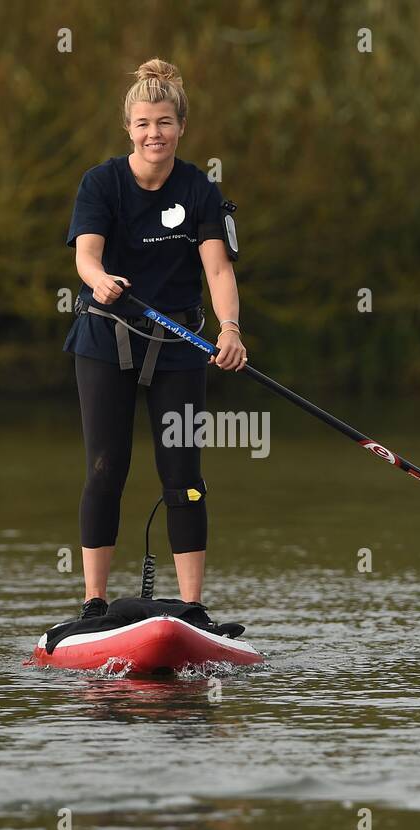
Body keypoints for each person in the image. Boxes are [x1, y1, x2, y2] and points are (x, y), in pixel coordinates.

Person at [65, 57, 246, 621]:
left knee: (184, 475)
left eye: (164, 123)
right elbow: (86, 256)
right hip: (106, 340)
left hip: (178, 348)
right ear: (129, 128)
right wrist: (100, 282)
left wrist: (230, 331)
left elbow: (218, 270)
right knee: (105, 467)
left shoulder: (200, 190)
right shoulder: (101, 183)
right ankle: (94, 603)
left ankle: (192, 608)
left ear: (181, 126)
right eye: (143, 123)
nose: (154, 134)